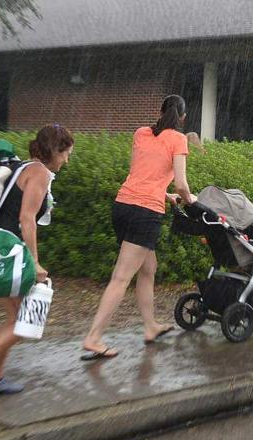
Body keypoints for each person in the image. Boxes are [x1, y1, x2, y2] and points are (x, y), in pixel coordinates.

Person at [0, 124, 73, 397]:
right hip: (9, 252)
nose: (67, 160)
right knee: (26, 321)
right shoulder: (40, 173)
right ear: (56, 151)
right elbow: (26, 219)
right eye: (67, 153)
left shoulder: (24, 167)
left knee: (15, 318)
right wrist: (34, 263)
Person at [81, 95, 196, 360]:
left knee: (148, 269)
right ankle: (93, 337)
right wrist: (189, 200)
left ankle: (150, 326)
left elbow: (142, 173)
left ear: (160, 111)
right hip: (145, 213)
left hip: (123, 205)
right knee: (121, 277)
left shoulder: (142, 133)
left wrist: (163, 194)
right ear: (183, 118)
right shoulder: (179, 139)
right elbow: (181, 184)